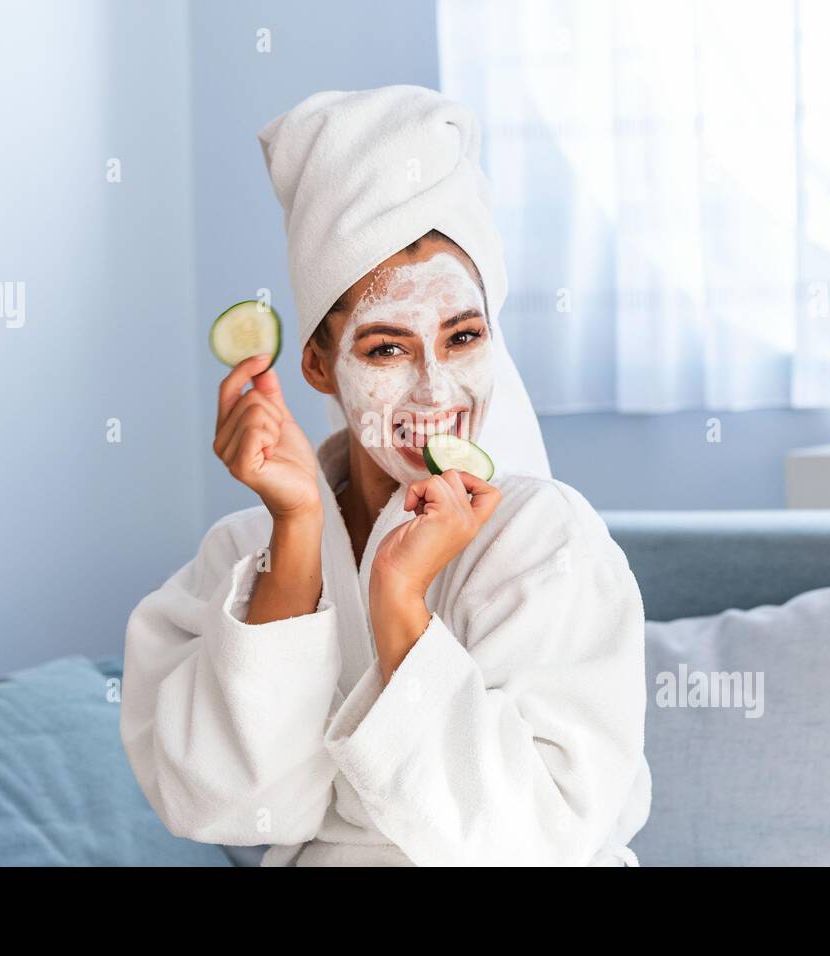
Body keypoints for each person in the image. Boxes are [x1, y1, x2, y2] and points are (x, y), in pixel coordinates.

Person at [119, 85, 651, 866]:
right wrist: (297, 535)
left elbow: (540, 839)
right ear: (317, 365)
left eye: (463, 337)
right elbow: (233, 808)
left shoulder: (548, 539)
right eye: (387, 349)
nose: (436, 391)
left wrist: (400, 607)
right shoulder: (239, 558)